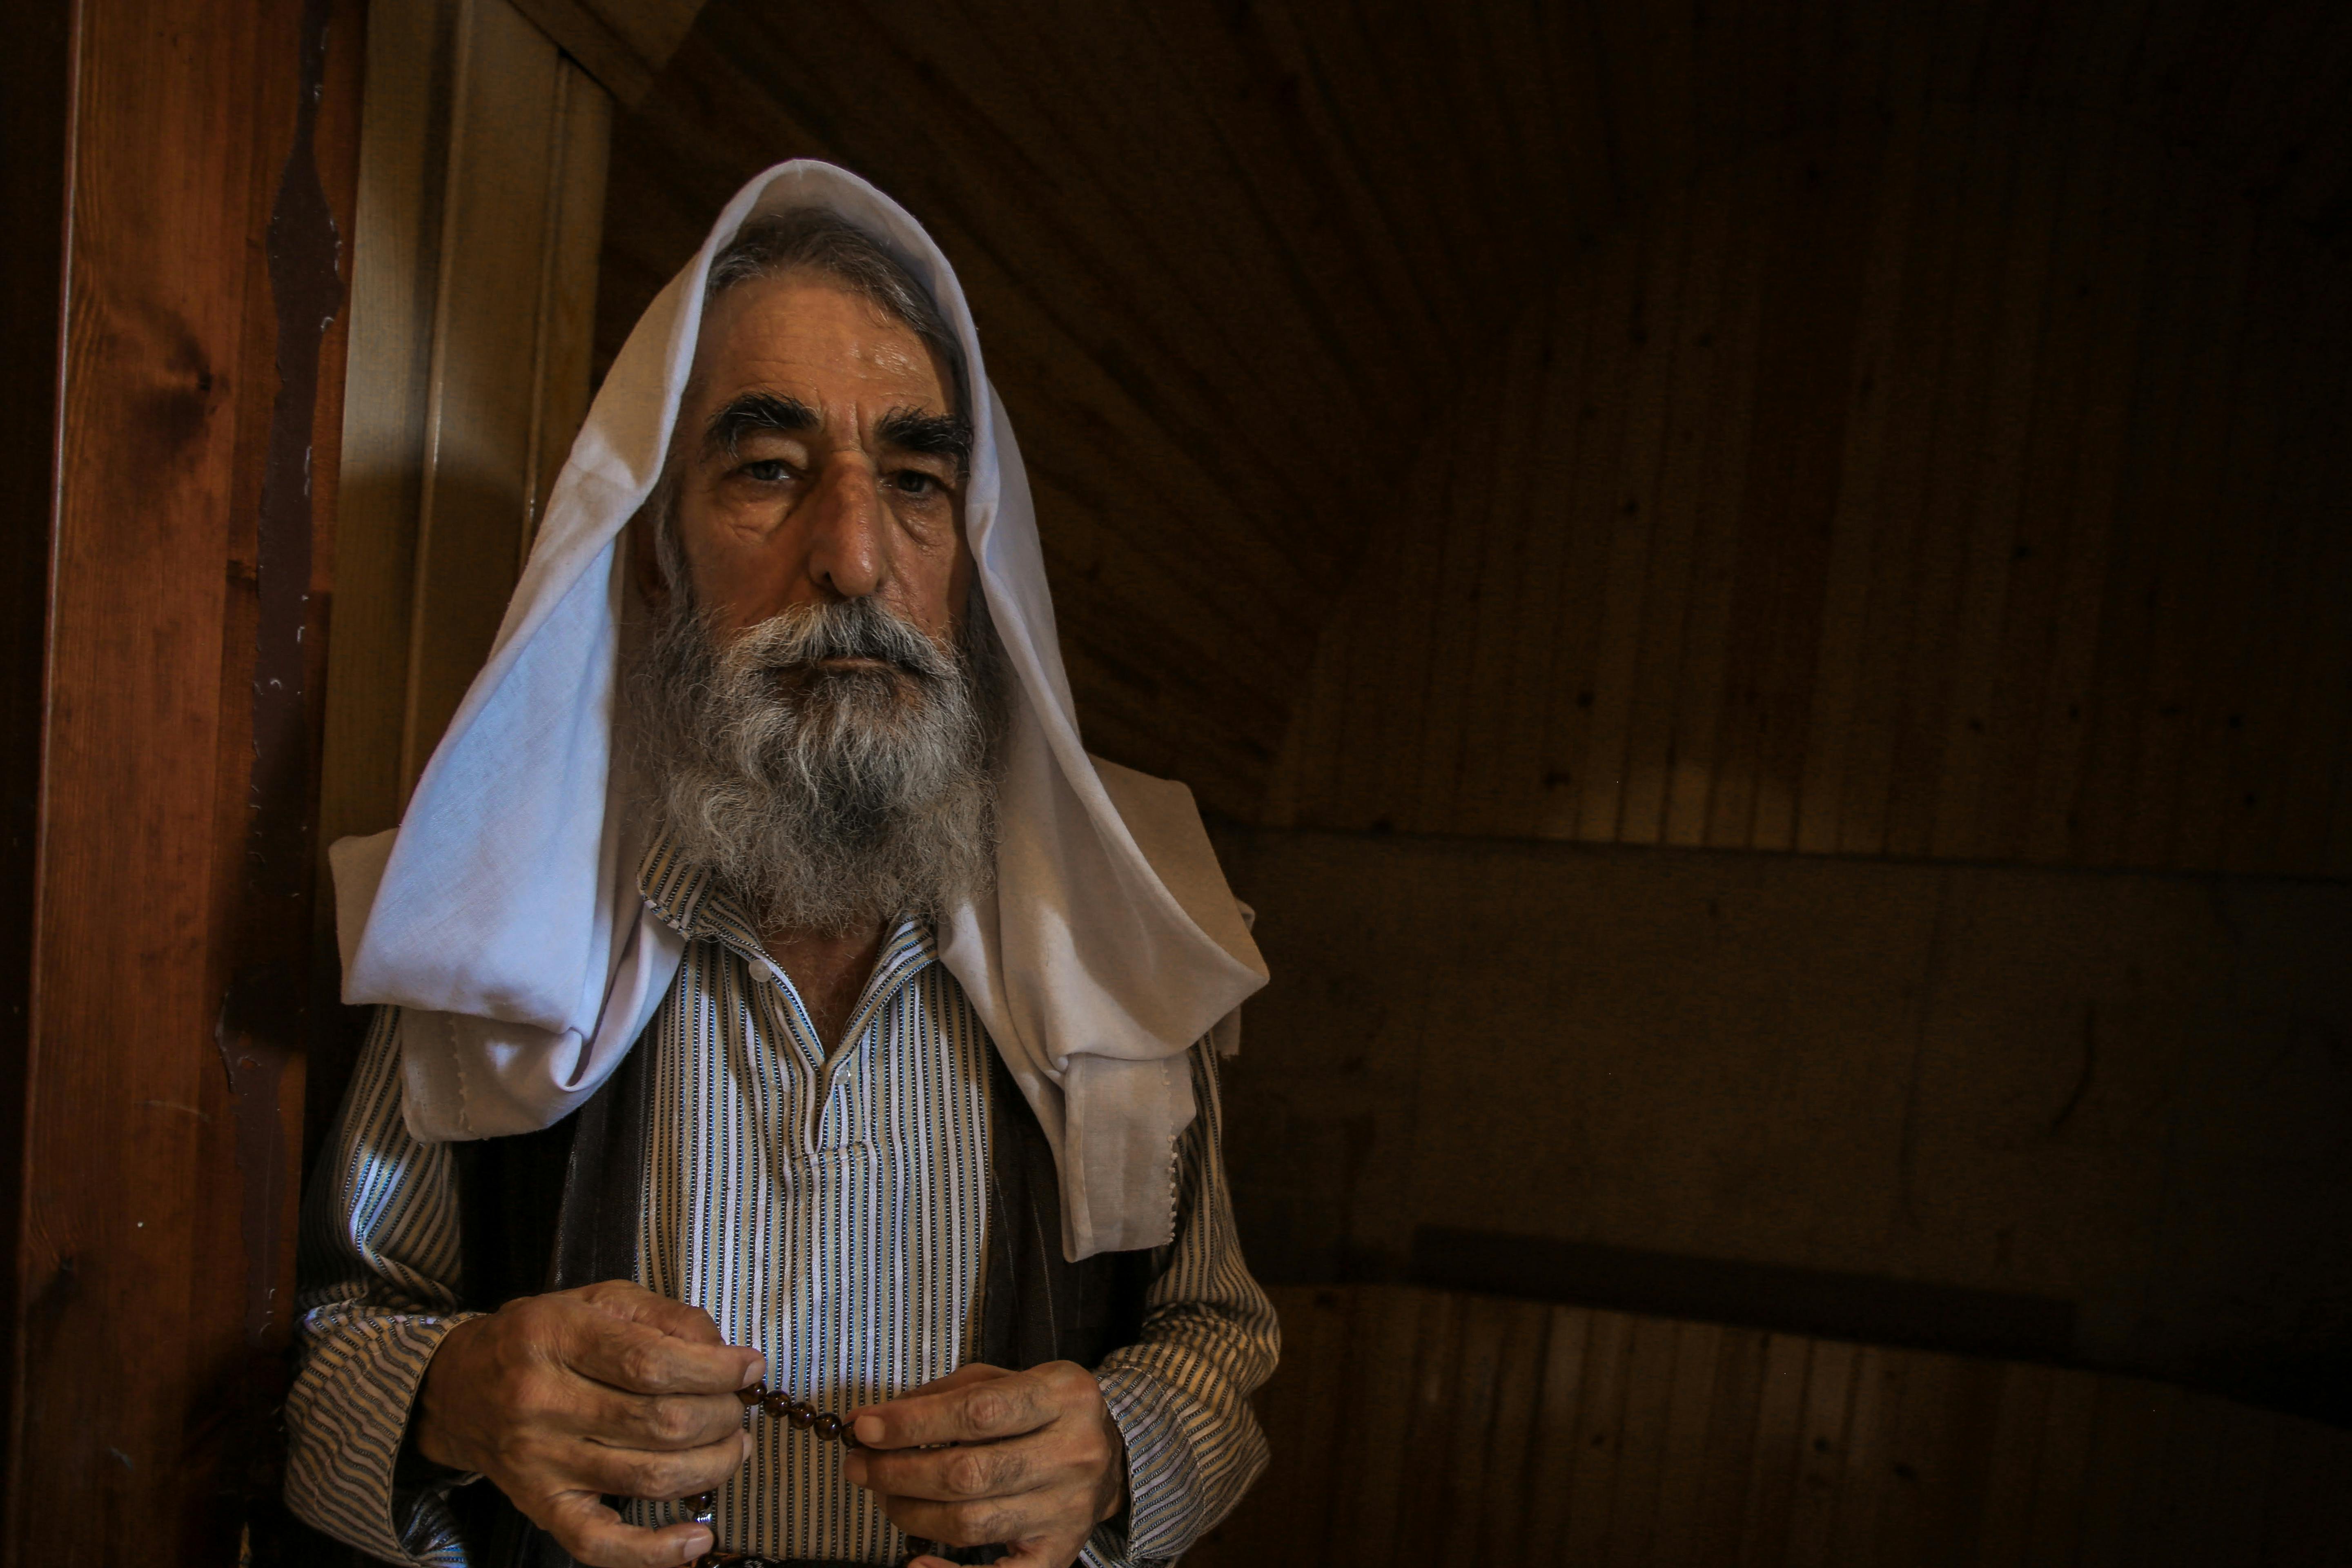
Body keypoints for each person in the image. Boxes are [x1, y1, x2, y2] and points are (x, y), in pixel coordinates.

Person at [285, 162, 1276, 1568]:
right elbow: (331, 1342)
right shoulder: (491, 921)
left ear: (973, 563)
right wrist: (454, 1401)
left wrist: (1120, 1453)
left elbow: (1217, 1347)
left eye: (917, 481)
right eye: (769, 470)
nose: (857, 558)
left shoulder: (1122, 931)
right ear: (652, 563)